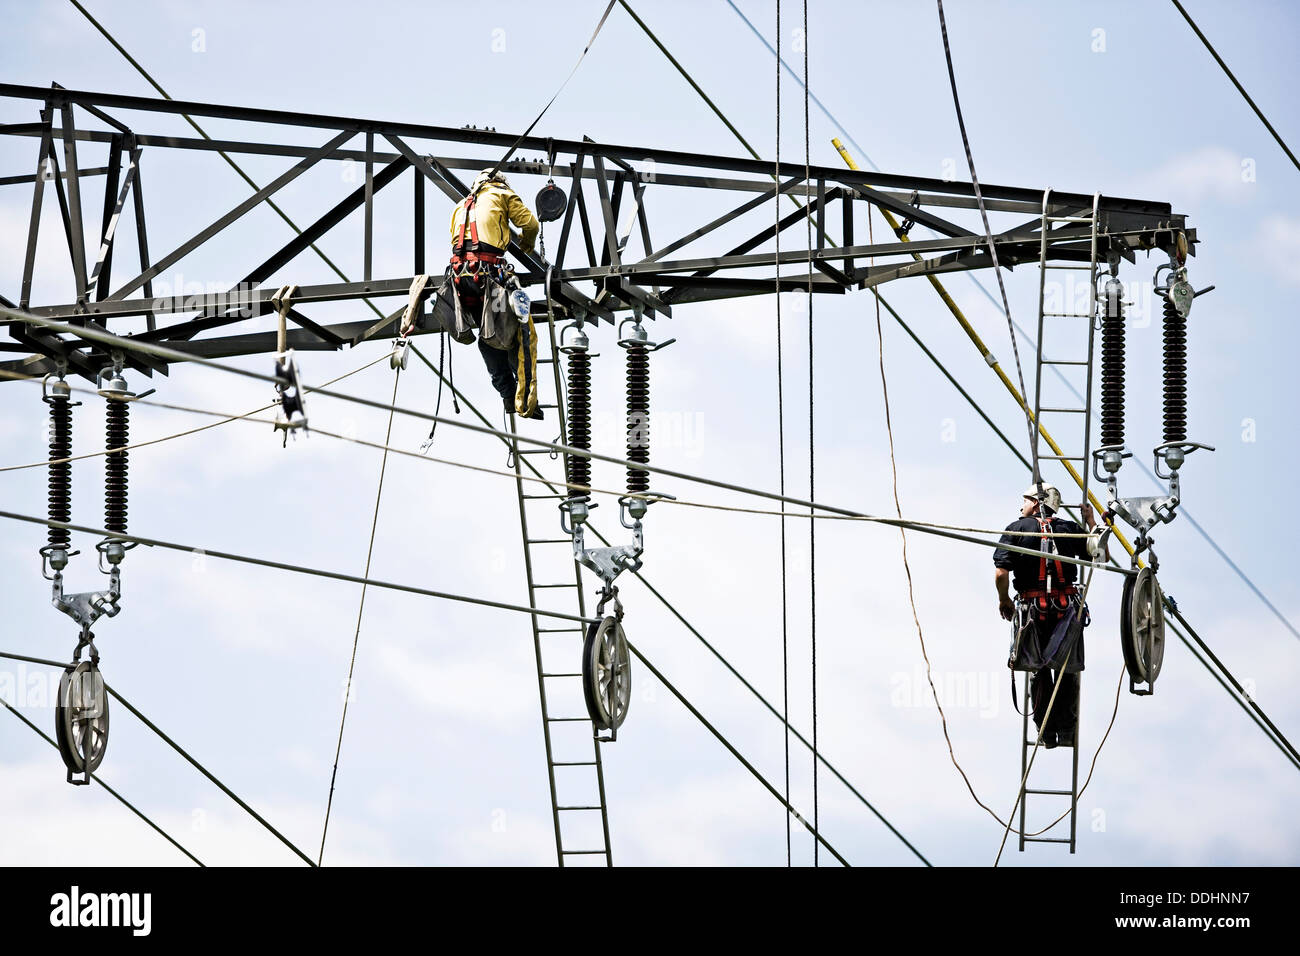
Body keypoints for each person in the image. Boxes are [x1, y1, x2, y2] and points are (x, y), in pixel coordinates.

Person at [993, 483, 1098, 748]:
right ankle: (1065, 731)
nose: (1021, 507)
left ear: (1037, 503)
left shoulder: (1016, 528)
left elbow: (1001, 573)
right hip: (1065, 612)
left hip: (1032, 612)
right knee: (1066, 670)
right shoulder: (1070, 529)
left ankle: (1046, 732)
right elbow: (1100, 553)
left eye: (1025, 501)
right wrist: (1091, 522)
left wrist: (1004, 600)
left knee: (1039, 670)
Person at [444, 168, 542, 419]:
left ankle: (507, 395)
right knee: (523, 334)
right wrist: (527, 245)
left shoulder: (460, 206)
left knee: (489, 336)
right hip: (489, 280)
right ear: (498, 182)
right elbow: (530, 224)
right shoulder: (502, 194)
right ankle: (524, 400)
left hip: (461, 284)